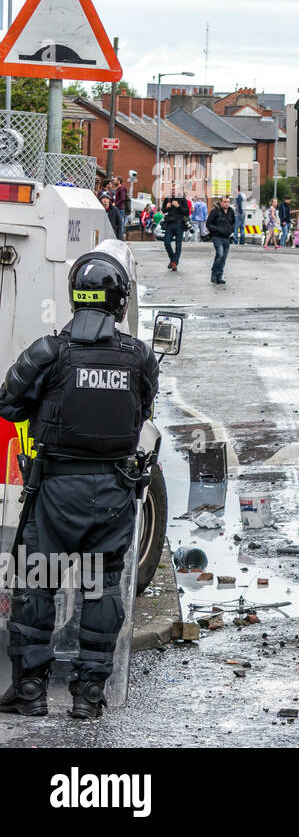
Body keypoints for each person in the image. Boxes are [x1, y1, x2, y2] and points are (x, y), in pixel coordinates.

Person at [0, 244, 158, 719]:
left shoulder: (49, 352)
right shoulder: (140, 357)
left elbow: (7, 403)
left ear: (75, 297)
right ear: (120, 301)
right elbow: (143, 410)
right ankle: (88, 696)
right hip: (112, 493)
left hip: (54, 493)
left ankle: (29, 691)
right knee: (103, 586)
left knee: (35, 584)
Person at [206, 195, 237, 285]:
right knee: (220, 254)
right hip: (217, 237)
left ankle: (219, 276)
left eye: (228, 202)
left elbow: (234, 222)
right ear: (220, 202)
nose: (227, 203)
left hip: (227, 238)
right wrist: (217, 229)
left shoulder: (231, 211)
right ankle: (214, 274)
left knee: (223, 258)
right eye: (225, 202)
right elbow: (208, 223)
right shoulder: (215, 211)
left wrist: (231, 230)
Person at [161, 195, 188, 271]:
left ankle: (174, 263)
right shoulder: (168, 198)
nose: (173, 190)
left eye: (174, 188)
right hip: (170, 223)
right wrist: (167, 207)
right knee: (166, 242)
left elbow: (187, 212)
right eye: (172, 188)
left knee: (178, 244)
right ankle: (173, 258)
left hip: (179, 223)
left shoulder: (182, 198)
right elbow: (163, 210)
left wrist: (178, 206)